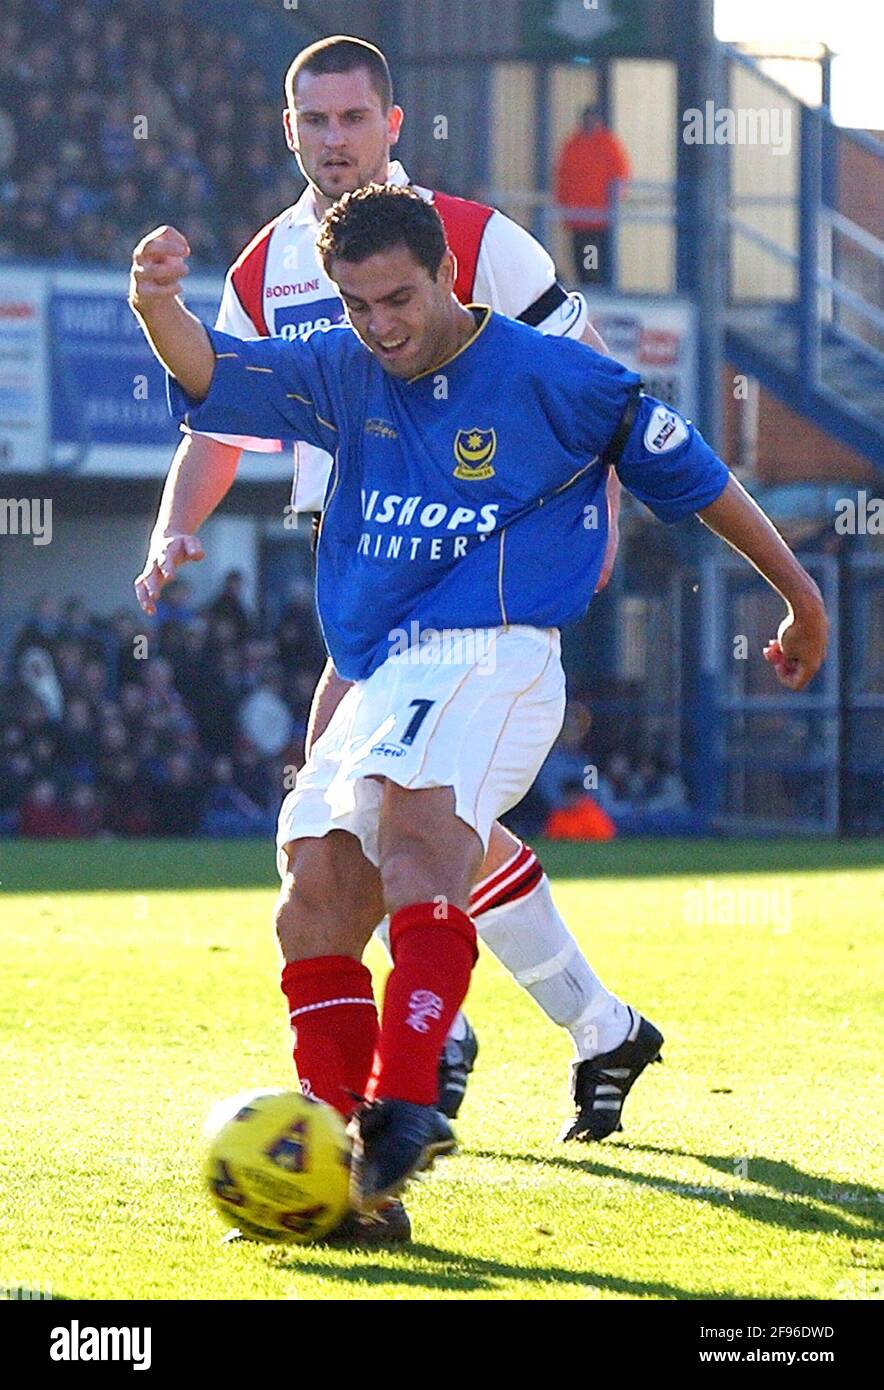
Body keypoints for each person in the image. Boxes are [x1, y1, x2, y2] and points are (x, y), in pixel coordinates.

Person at [129, 185, 828, 1225]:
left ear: (448, 275)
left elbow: (696, 477)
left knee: (419, 833)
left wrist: (801, 597)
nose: (381, 325)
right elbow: (214, 376)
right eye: (358, 305)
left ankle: (408, 1103)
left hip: (494, 653)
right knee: (312, 886)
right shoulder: (339, 368)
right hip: (376, 668)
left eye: (398, 298)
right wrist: (154, 309)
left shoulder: (556, 378)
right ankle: (341, 1174)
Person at [133, 35, 651, 1165]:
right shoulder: (266, 267)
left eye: (352, 120)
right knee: (412, 824)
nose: (334, 141)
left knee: (355, 828)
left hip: (476, 573)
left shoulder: (474, 238)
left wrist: (601, 515)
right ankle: (586, 1028)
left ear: (392, 125)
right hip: (360, 577)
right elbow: (221, 419)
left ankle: (421, 1060)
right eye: (313, 123)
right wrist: (176, 523)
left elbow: (591, 380)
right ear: (288, 132)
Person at [555, 104, 631, 288]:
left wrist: (611, 204)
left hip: (598, 219)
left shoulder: (608, 144)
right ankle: (588, 288)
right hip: (577, 218)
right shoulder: (573, 144)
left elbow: (620, 176)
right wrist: (565, 206)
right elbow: (563, 176)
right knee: (580, 260)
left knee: (594, 263)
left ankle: (595, 290)